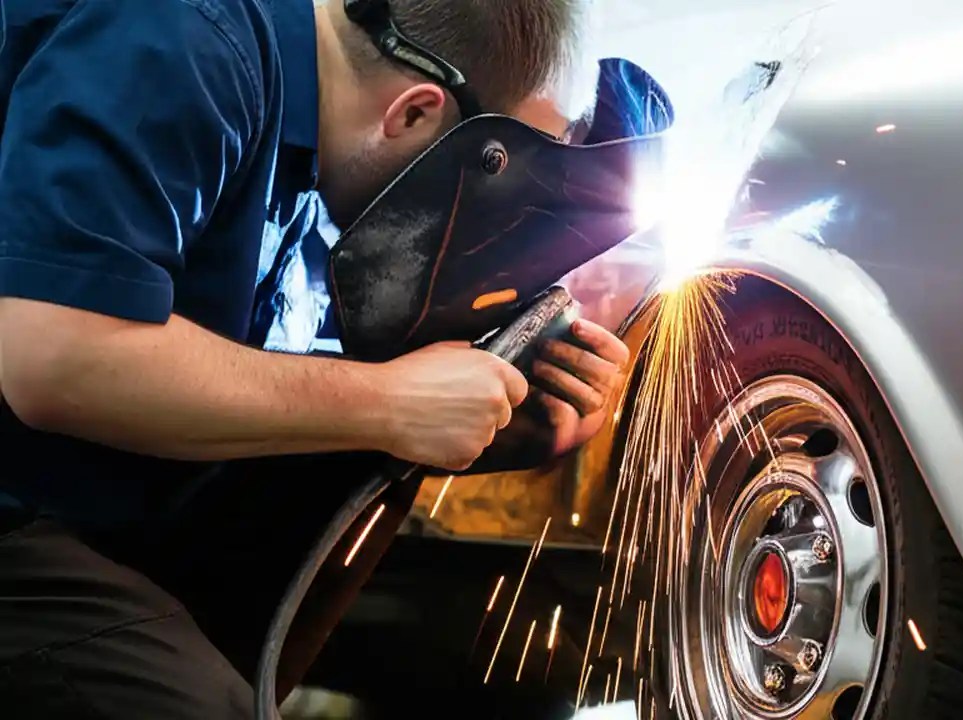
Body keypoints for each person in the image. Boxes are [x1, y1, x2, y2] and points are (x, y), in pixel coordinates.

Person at [0, 0, 627, 717]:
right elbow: (53, 355)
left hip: (79, 496)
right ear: (415, 114)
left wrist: (500, 412)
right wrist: (389, 404)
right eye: (482, 182)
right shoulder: (184, 39)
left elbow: (256, 371)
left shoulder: (315, 150)